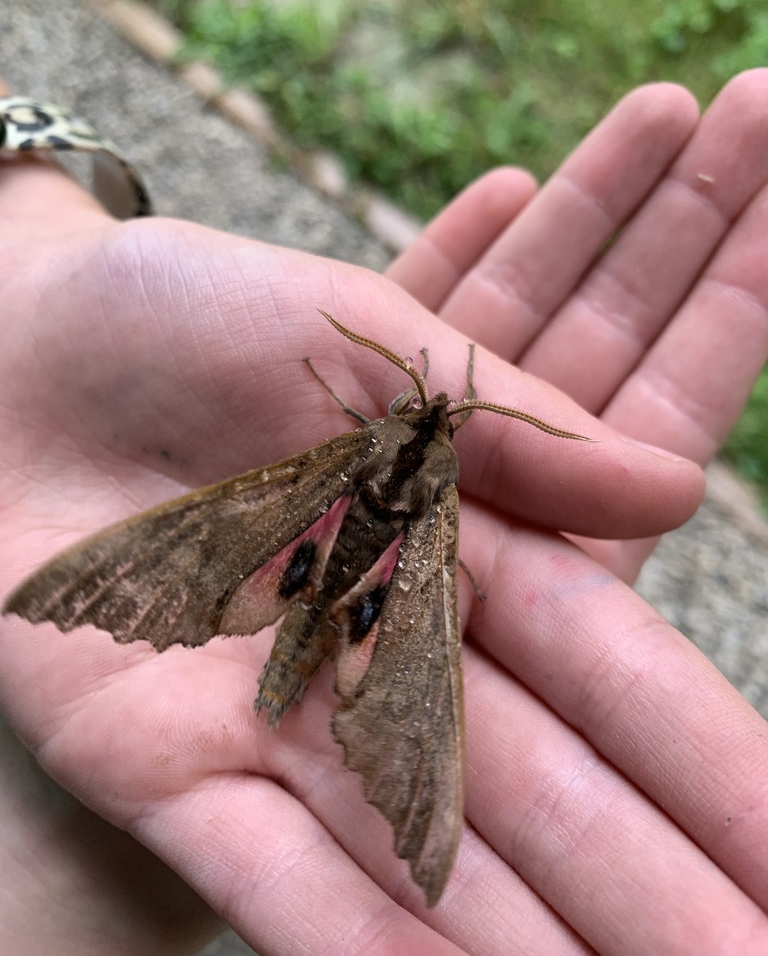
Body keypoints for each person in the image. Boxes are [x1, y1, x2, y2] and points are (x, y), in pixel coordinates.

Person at [0, 69, 767, 955]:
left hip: (309, 547)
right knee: (416, 648)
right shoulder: (432, 507)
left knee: (229, 541)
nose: (433, 414)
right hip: (376, 577)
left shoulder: (348, 450)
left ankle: (383, 770)